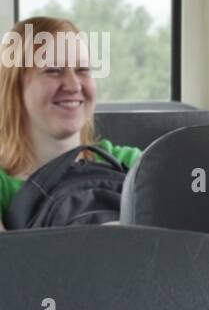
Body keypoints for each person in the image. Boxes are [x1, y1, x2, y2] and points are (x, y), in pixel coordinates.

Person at [0, 17, 141, 231]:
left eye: (83, 69)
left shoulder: (135, 164)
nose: (73, 84)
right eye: (53, 70)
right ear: (14, 88)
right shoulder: (4, 185)